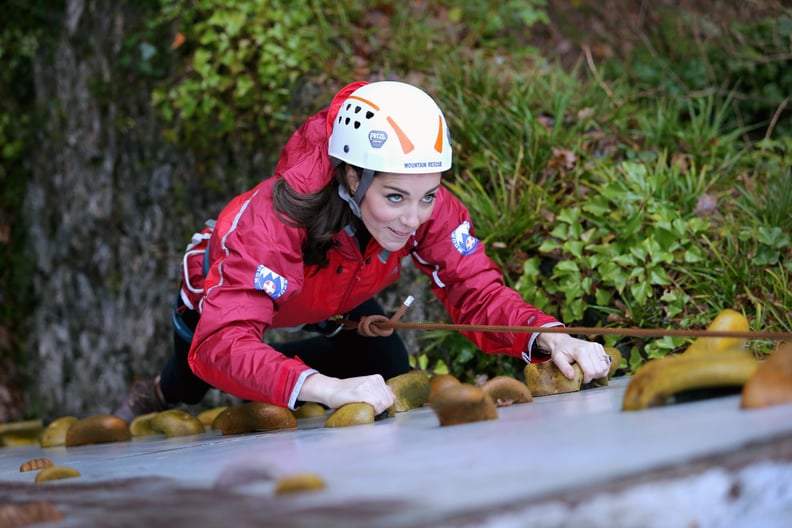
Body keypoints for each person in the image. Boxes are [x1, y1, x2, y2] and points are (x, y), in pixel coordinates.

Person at [113, 80, 611, 422]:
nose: (413, 218)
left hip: (338, 296)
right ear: (352, 177)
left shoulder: (426, 207)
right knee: (192, 378)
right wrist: (325, 388)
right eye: (394, 197)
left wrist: (549, 336)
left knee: (388, 366)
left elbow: (476, 291)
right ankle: (160, 393)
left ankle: (275, 373)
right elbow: (219, 343)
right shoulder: (271, 222)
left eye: (428, 195)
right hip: (225, 292)